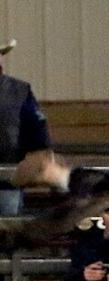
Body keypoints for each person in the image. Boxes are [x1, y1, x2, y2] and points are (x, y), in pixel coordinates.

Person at [0, 37, 66, 215]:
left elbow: (36, 126)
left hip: (7, 177)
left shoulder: (19, 91)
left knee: (6, 227)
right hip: (8, 175)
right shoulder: (18, 91)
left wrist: (42, 153)